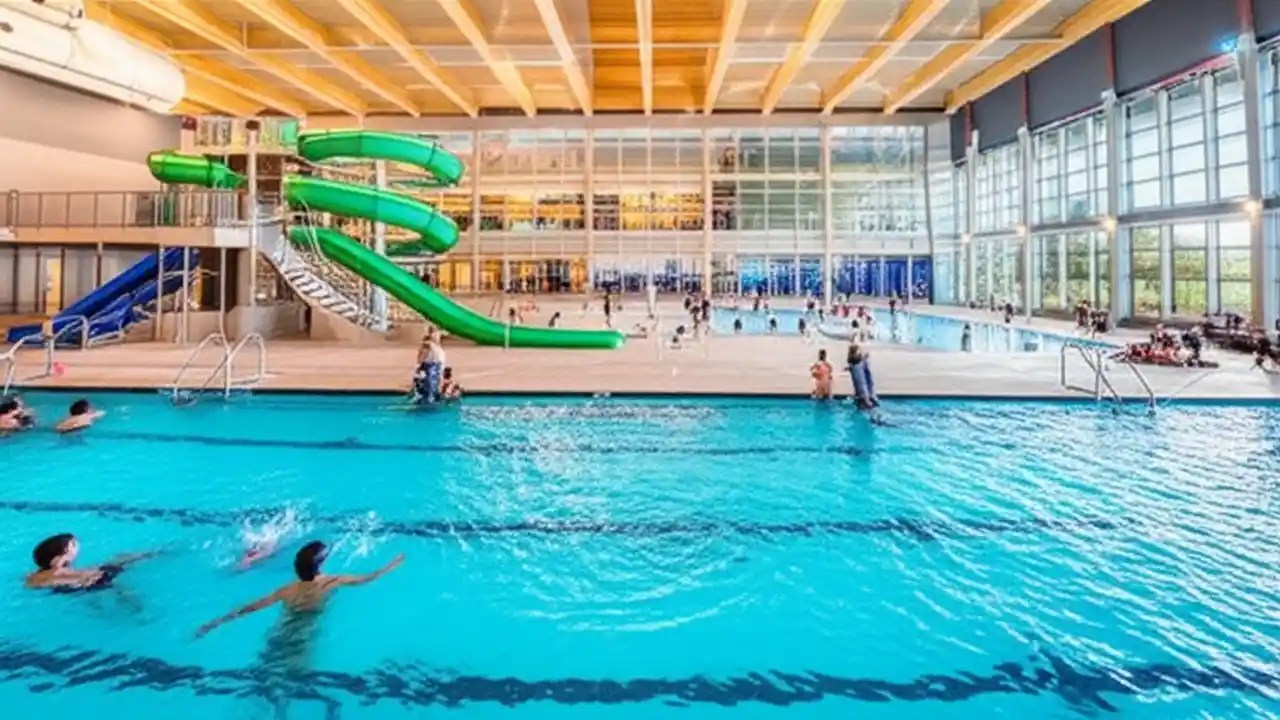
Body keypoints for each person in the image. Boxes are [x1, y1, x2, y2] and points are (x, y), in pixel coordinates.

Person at [197, 542, 404, 638]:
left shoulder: (285, 590)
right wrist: (391, 565)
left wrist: (214, 623)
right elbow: (368, 578)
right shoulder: (332, 582)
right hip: (302, 637)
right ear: (320, 565)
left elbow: (249, 608)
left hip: (279, 634)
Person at [25, 533, 155, 593]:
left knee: (118, 561)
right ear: (60, 557)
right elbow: (85, 576)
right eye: (74, 545)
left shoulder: (35, 574)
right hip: (96, 580)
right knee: (119, 565)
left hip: (82, 585)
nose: (77, 546)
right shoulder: (59, 571)